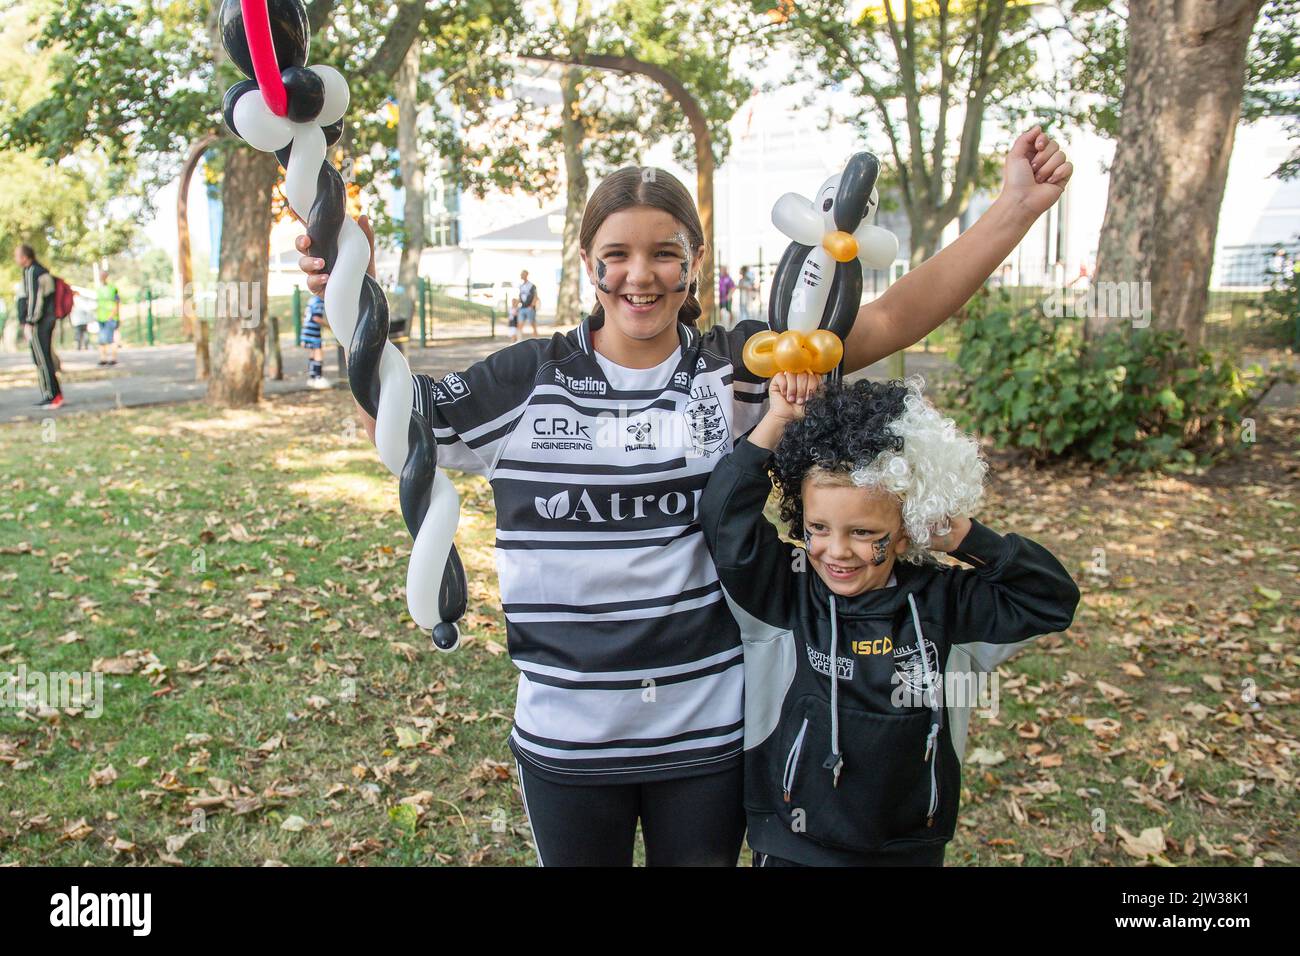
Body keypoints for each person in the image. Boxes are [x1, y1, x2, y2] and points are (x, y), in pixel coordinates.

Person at [294, 125, 1074, 866]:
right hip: (567, 740)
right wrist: (345, 300)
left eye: (665, 253)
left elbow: (892, 318)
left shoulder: (738, 371)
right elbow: (391, 415)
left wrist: (1014, 208)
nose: (642, 275)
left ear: (693, 262)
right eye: (619, 254)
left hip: (705, 735)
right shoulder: (523, 380)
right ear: (588, 261)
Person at [700, 374, 1081, 866]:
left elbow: (1050, 599)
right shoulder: (782, 594)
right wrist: (775, 422)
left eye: (863, 532)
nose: (836, 551)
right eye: (818, 528)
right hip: (793, 845)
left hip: (906, 849)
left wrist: (966, 537)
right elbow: (723, 515)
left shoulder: (949, 605)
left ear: (907, 531)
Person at [14, 244, 62, 408]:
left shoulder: (33, 271)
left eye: (17, 255)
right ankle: (51, 394)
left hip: (41, 322)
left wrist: (29, 320)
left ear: (25, 257)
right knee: (41, 358)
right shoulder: (37, 271)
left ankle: (53, 395)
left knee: (42, 358)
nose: (15, 259)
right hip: (45, 320)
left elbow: (35, 299)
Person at [301, 293, 330, 388]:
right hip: (313, 331)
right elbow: (316, 318)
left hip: (306, 330)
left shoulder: (312, 299)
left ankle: (312, 377)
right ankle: (318, 377)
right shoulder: (319, 301)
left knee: (312, 353)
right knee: (318, 353)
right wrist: (329, 326)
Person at [96, 269, 120, 367]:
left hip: (110, 317)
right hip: (101, 317)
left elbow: (117, 302)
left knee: (110, 339)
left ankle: (113, 358)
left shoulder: (113, 288)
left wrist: (112, 315)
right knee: (101, 339)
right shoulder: (99, 289)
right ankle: (103, 358)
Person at [516, 270, 539, 337]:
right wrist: (516, 306)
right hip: (522, 307)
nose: (521, 276)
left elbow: (535, 296)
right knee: (520, 324)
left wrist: (531, 306)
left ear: (526, 275)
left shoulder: (532, 285)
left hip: (529, 308)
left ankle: (536, 339)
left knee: (532, 324)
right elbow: (520, 297)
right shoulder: (521, 286)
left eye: (522, 274)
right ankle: (518, 340)